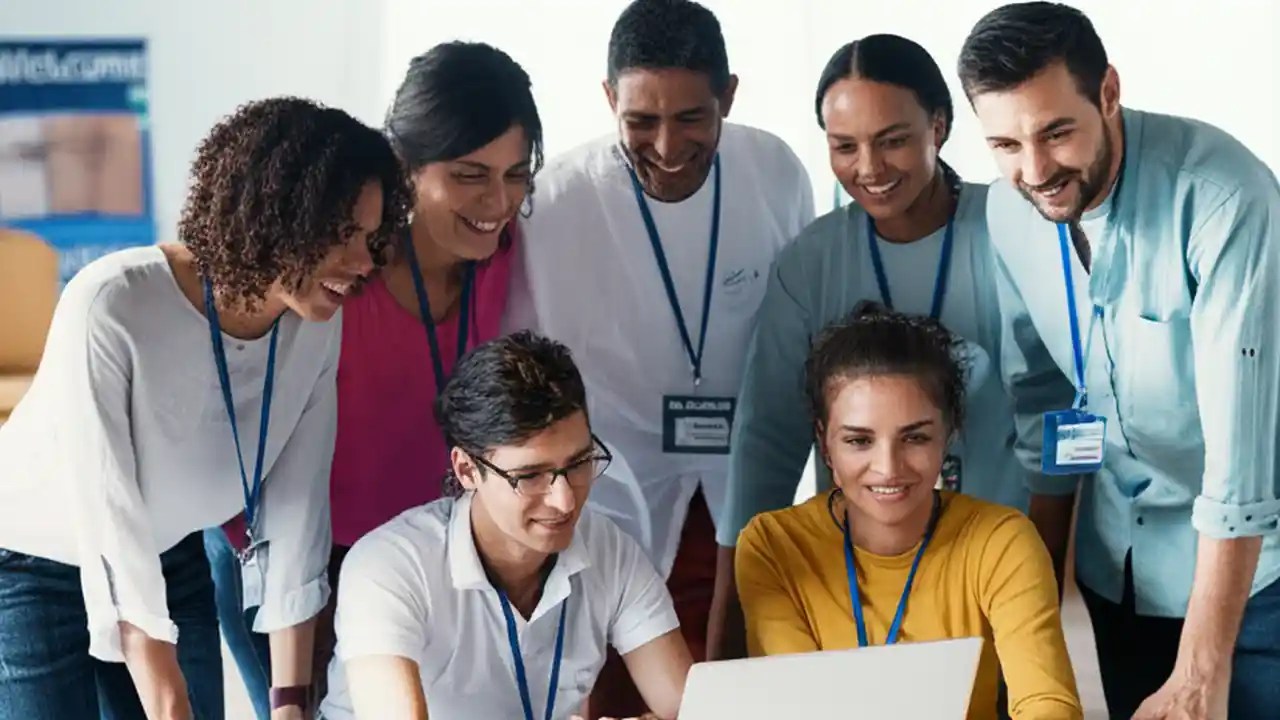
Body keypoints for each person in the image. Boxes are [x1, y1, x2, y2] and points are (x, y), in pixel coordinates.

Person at [0, 97, 411, 720]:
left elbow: (298, 507)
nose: (362, 265)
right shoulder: (112, 303)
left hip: (170, 557)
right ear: (276, 216)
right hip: (33, 569)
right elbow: (111, 517)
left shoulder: (316, 324)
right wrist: (167, 701)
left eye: (371, 239)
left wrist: (289, 700)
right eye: (341, 235)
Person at [957, 3, 1280, 718]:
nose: (1035, 170)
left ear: (1108, 93)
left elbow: (1242, 467)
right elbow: (1041, 401)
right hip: (1120, 574)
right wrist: (1035, 601)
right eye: (1005, 144)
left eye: (1056, 132)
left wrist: (1200, 670)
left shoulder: (1224, 197)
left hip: (1257, 583)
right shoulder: (1009, 210)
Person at [207, 41, 544, 716]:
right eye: (470, 175)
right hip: (302, 561)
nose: (499, 201)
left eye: (517, 175)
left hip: (426, 558)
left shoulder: (510, 252)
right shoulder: (335, 268)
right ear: (404, 168)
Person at [504, 1, 814, 715]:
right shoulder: (553, 204)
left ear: (728, 97)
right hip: (610, 493)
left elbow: (797, 335)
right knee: (607, 692)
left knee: (740, 691)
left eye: (692, 118)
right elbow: (520, 375)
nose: (668, 147)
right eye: (641, 121)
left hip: (743, 486)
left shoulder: (774, 171)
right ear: (608, 98)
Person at [714, 34, 1037, 660]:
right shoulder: (812, 261)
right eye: (845, 146)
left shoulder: (1014, 229)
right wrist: (728, 618)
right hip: (855, 580)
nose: (870, 168)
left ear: (938, 126)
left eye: (892, 140)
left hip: (990, 569)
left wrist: (1043, 568)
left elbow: (1051, 414)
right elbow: (766, 440)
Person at [318, 331, 692, 720]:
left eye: (579, 463)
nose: (565, 501)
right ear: (467, 470)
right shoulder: (389, 566)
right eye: (530, 476)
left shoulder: (610, 552)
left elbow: (692, 708)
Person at [736, 310, 1082, 719]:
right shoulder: (773, 546)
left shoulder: (1002, 540)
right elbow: (801, 710)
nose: (888, 468)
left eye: (914, 437)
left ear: (949, 434)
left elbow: (1048, 704)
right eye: (859, 440)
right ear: (824, 444)